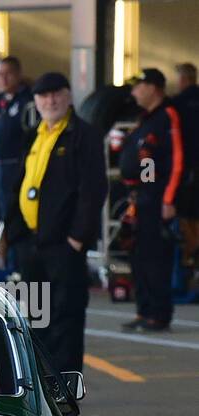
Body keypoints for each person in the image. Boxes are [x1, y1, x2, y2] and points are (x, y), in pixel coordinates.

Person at [4, 72, 107, 372]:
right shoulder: (33, 134)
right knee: (36, 317)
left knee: (66, 316)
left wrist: (77, 238)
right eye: (43, 95)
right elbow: (19, 184)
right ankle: (40, 382)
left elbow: (93, 189)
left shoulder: (83, 134)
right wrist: (15, 232)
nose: (50, 100)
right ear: (35, 101)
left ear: (68, 96)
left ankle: (65, 385)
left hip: (63, 246)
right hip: (30, 244)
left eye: (56, 94)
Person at [119, 68, 184, 333]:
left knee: (156, 257)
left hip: (157, 198)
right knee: (139, 255)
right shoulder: (144, 119)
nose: (134, 92)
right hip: (140, 197)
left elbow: (178, 159)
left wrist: (169, 198)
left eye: (138, 86)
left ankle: (159, 313)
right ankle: (143, 309)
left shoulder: (167, 115)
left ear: (153, 87)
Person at [0, 56, 36, 265]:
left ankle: (18, 267)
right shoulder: (1, 102)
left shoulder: (27, 102)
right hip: (0, 170)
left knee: (17, 221)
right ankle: (9, 264)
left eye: (8, 74)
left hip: (17, 170)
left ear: (18, 75)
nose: (3, 79)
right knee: (4, 219)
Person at [173, 63, 199, 269]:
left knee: (184, 215)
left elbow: (148, 161)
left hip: (184, 170)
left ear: (183, 80)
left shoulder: (176, 105)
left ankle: (189, 259)